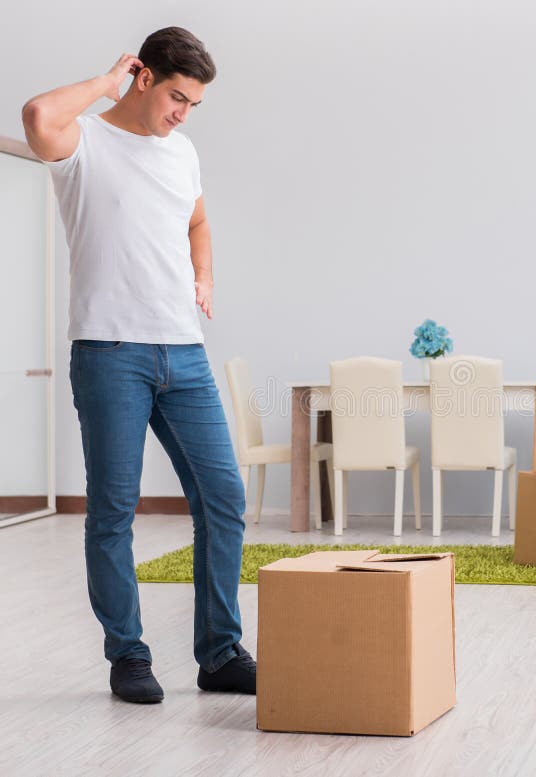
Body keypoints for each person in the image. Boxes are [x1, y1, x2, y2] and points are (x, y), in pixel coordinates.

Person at [21, 27, 255, 704]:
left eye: (195, 103)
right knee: (113, 511)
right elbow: (37, 116)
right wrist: (104, 81)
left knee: (224, 497)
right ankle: (128, 655)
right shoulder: (84, 141)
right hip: (109, 353)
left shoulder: (182, 155)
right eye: (177, 95)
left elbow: (198, 223)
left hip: (183, 350)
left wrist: (204, 276)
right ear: (144, 77)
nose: (183, 112)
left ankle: (219, 652)